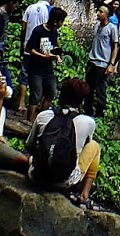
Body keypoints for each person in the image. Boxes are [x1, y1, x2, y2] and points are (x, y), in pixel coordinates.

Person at [25, 77, 102, 206]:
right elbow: (85, 146)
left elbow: (30, 145)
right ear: (81, 101)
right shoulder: (87, 122)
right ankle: (84, 195)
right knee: (94, 146)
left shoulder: (43, 115)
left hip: (36, 176)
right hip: (65, 180)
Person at [19, 0, 58, 113]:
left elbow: (23, 27)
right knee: (38, 81)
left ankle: (21, 103)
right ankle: (39, 109)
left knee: (24, 76)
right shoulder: (49, 10)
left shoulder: (30, 7)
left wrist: (22, 45)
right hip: (40, 51)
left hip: (27, 47)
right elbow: (49, 28)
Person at [23, 5, 66, 116]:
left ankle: (42, 117)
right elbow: (28, 48)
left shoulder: (54, 31)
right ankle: (29, 121)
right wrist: (42, 56)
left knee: (51, 92)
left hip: (48, 69)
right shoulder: (38, 31)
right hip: (36, 68)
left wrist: (58, 56)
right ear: (55, 21)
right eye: (62, 21)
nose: (62, 24)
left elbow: (56, 45)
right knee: (36, 95)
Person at [87, 2, 118, 117]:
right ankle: (87, 112)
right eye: (98, 11)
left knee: (100, 90)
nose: (98, 13)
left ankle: (99, 115)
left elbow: (115, 46)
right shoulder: (96, 26)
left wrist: (112, 64)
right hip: (92, 62)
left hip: (102, 64)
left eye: (101, 12)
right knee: (88, 90)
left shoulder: (112, 28)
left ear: (107, 15)